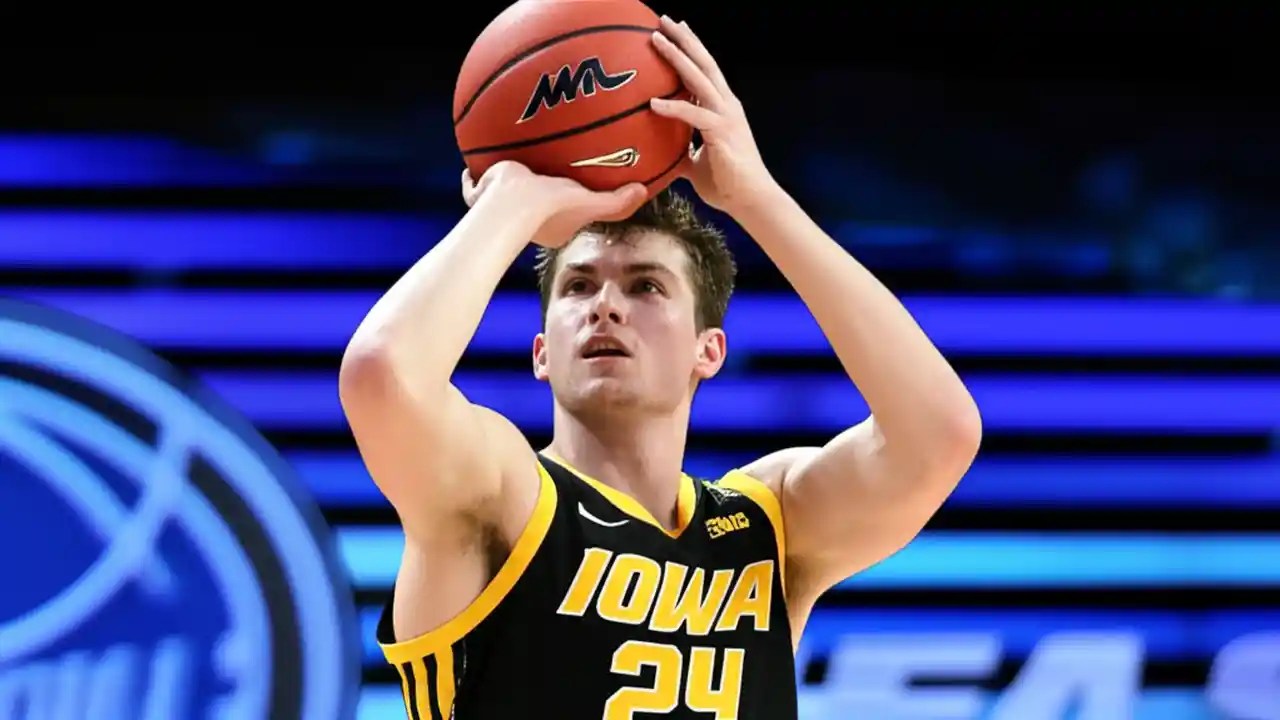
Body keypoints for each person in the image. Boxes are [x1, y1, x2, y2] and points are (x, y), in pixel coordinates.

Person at [340, 16, 982, 720]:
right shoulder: (500, 493)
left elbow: (940, 433)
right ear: (542, 352)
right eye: (579, 287)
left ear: (709, 350)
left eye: (646, 286)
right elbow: (383, 375)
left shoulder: (765, 528)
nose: (605, 307)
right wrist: (513, 202)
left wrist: (757, 198)